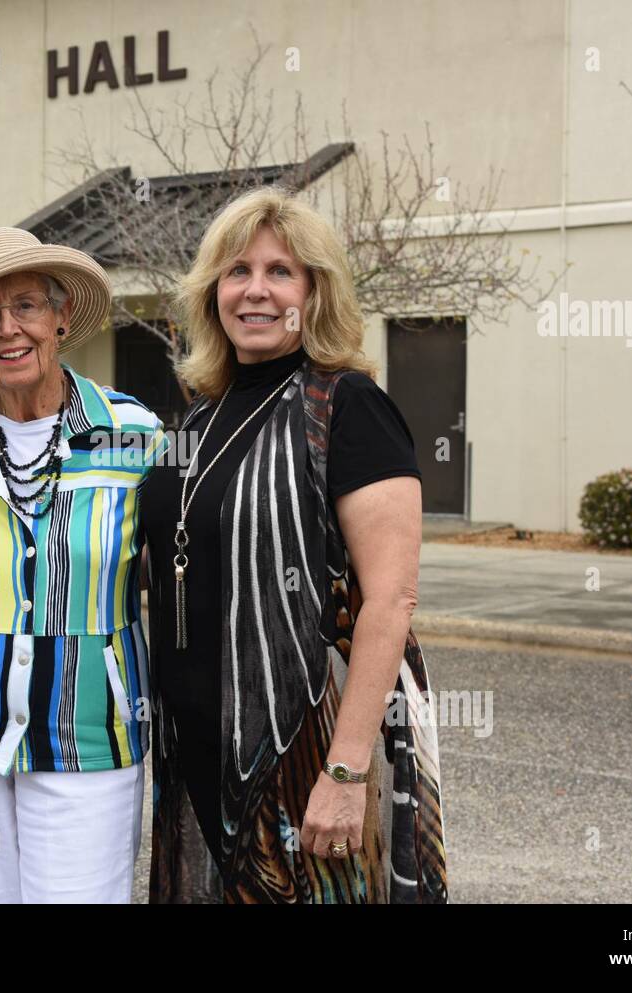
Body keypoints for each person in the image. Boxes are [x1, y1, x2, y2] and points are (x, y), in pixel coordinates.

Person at [141, 186, 449, 903]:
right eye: (237, 270)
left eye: (281, 271)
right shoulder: (199, 417)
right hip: (198, 761)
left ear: (315, 291)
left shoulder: (346, 406)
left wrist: (344, 771)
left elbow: (390, 598)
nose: (255, 289)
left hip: (301, 752)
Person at [0, 227, 166, 903]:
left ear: (60, 318)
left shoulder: (136, 435)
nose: (7, 328)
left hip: (90, 731)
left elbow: (181, 576)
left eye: (24, 305)